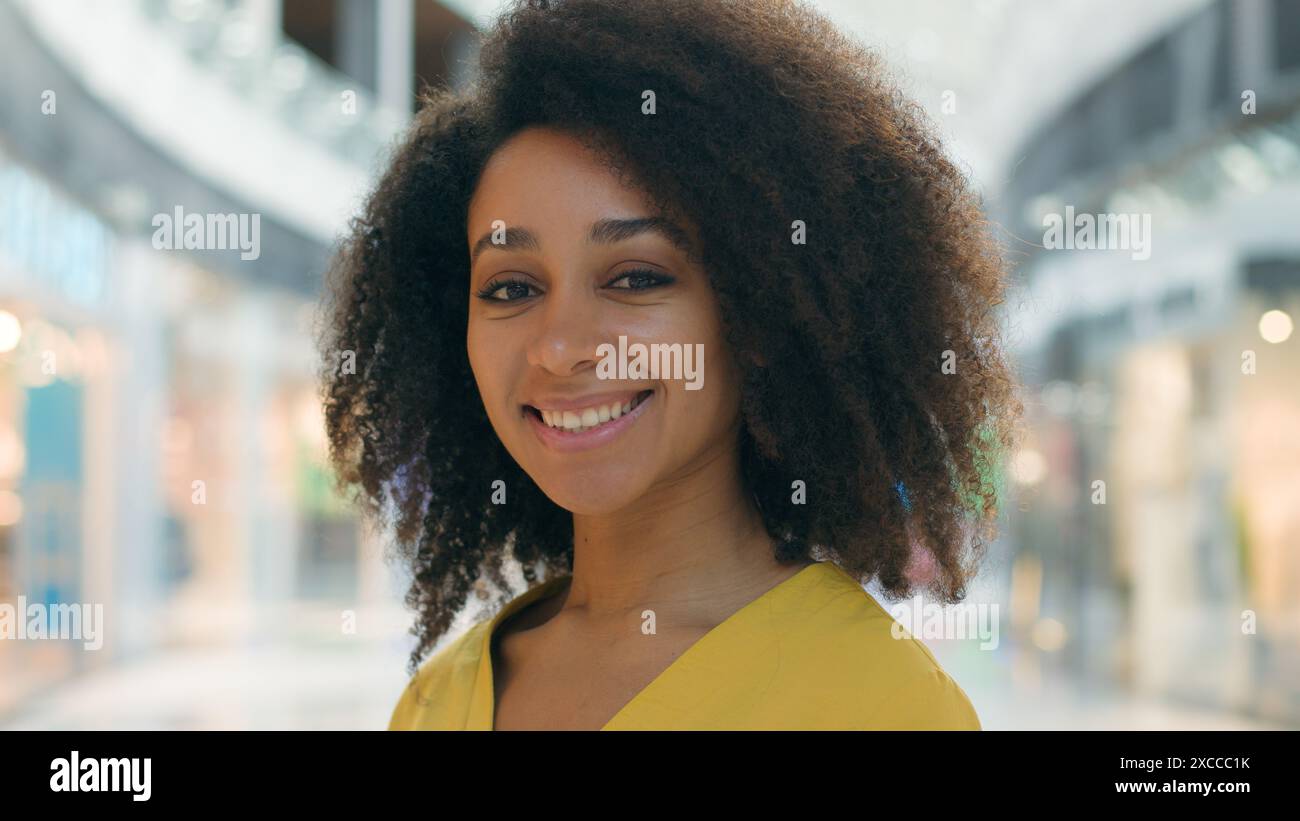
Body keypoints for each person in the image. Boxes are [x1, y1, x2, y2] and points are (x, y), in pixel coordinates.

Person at [320, 0, 1018, 730]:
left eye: (636, 277)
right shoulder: (435, 701)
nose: (559, 345)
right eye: (511, 287)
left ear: (756, 311)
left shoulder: (885, 705)